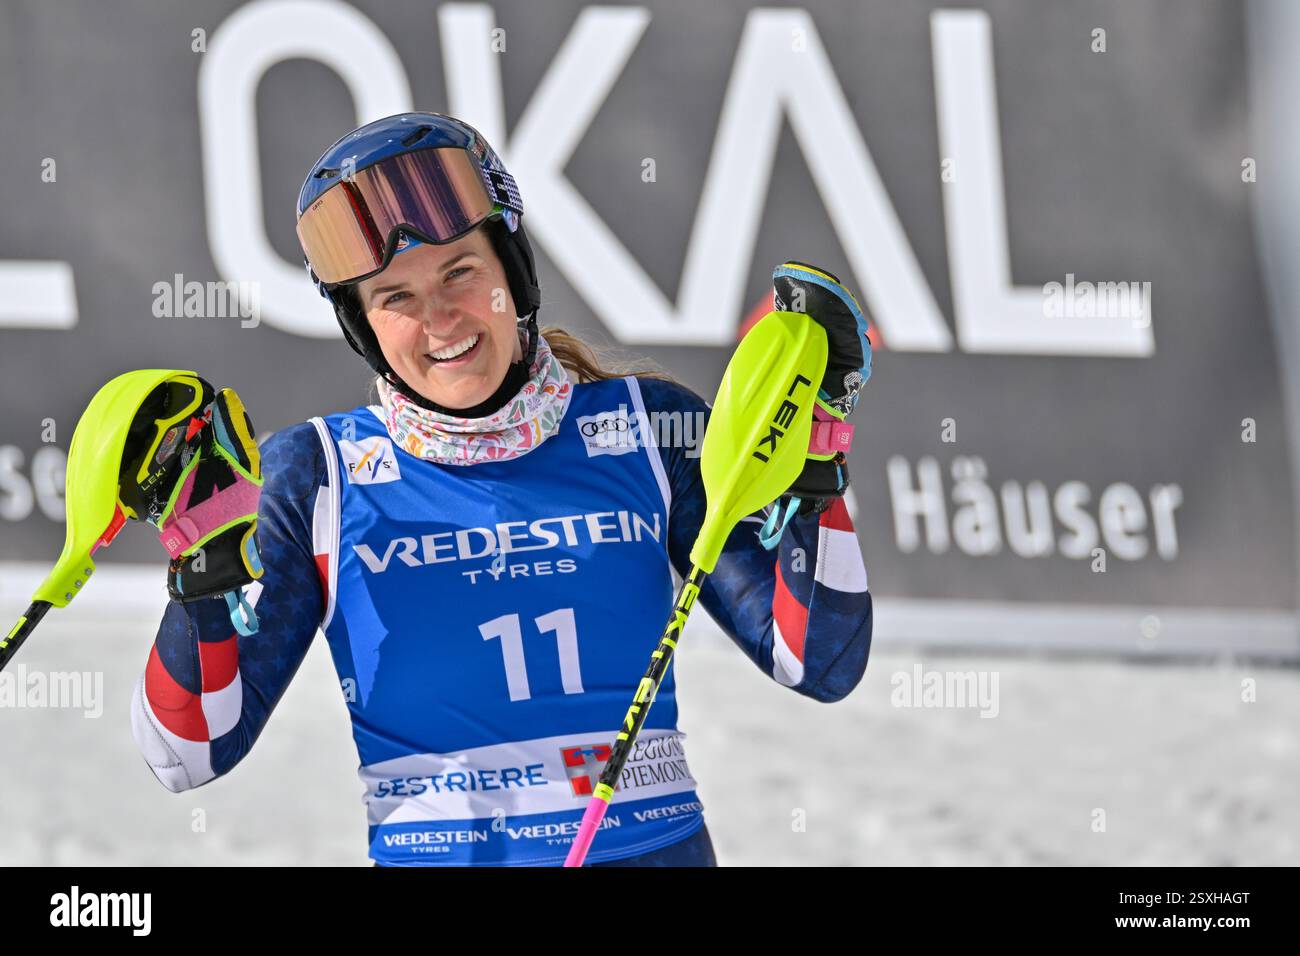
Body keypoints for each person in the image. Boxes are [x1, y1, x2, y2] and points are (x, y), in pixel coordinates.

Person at [128, 112, 874, 866]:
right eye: (395, 298)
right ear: (364, 328)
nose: (439, 319)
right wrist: (201, 586)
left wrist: (816, 472)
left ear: (513, 274)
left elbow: (817, 662)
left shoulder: (653, 429)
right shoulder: (317, 475)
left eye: (460, 272)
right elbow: (187, 754)